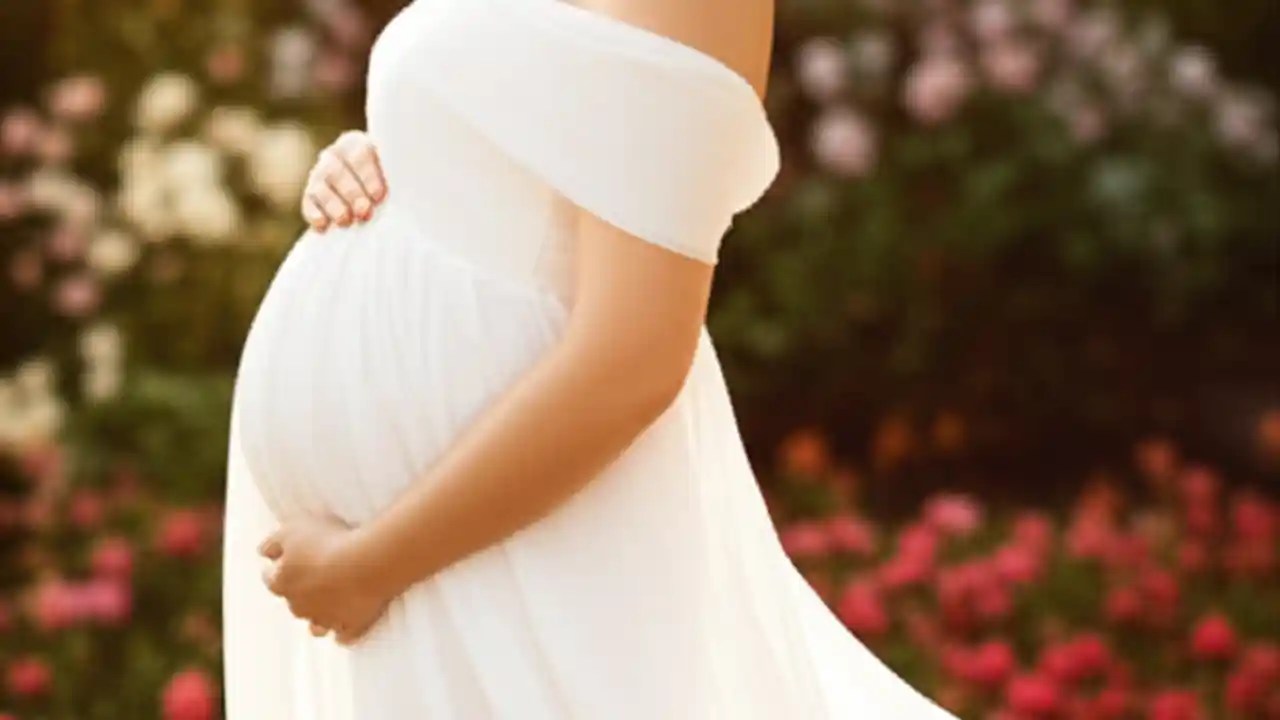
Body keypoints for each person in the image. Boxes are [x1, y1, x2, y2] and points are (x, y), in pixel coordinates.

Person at [222, 0, 960, 717]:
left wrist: (372, 565)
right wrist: (391, 158)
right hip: (427, 575)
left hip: (508, 555)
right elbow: (519, 150)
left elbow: (635, 354)